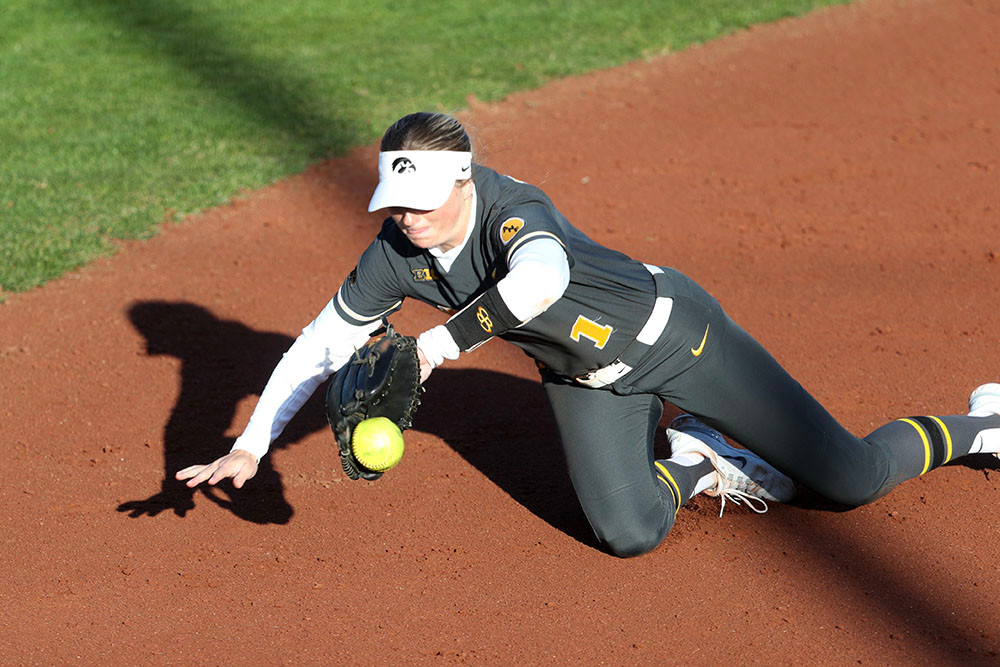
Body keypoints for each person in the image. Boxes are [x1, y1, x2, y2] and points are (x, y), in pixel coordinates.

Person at [177, 112, 1000, 558]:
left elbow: (542, 282)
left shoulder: (513, 211)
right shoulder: (399, 251)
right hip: (586, 382)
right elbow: (323, 340)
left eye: (422, 204)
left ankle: (978, 424)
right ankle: (698, 455)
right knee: (629, 533)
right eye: (396, 206)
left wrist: (437, 345)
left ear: (464, 179)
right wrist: (253, 445)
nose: (408, 222)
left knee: (850, 479)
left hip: (679, 337)